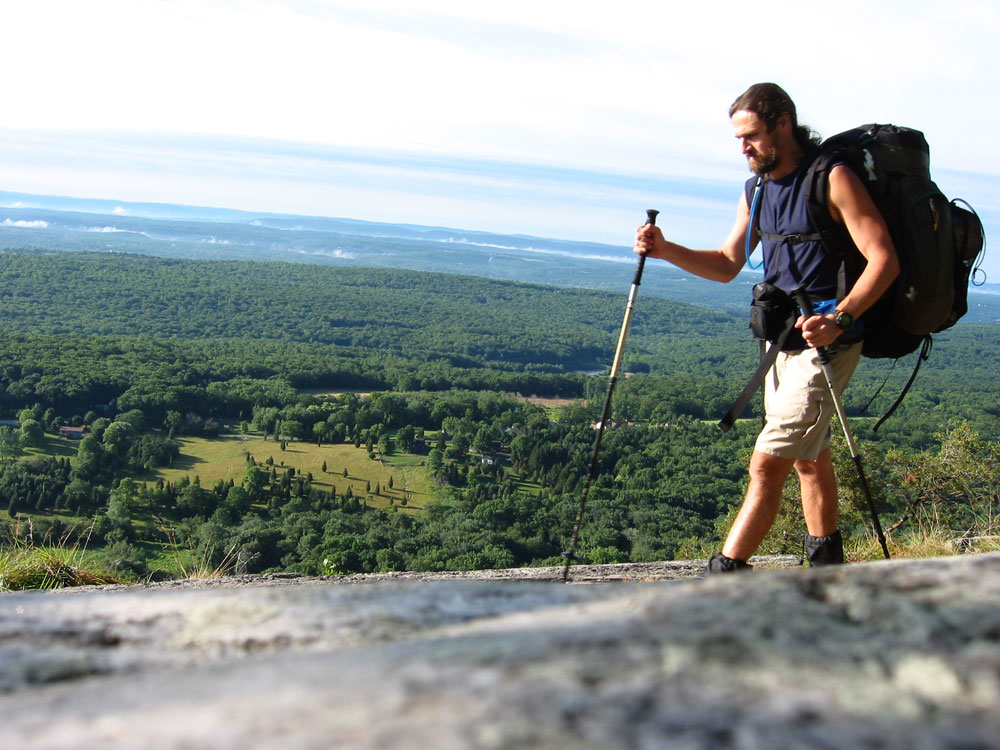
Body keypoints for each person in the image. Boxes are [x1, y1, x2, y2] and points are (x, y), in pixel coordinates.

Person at [634, 83, 899, 572]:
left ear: (782, 123)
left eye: (751, 136)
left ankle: (723, 574)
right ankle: (826, 569)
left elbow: (884, 259)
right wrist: (667, 248)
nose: (744, 149)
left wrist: (841, 317)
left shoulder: (833, 178)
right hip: (779, 345)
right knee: (808, 457)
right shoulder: (756, 191)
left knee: (766, 464)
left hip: (828, 345)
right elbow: (727, 263)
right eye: (738, 139)